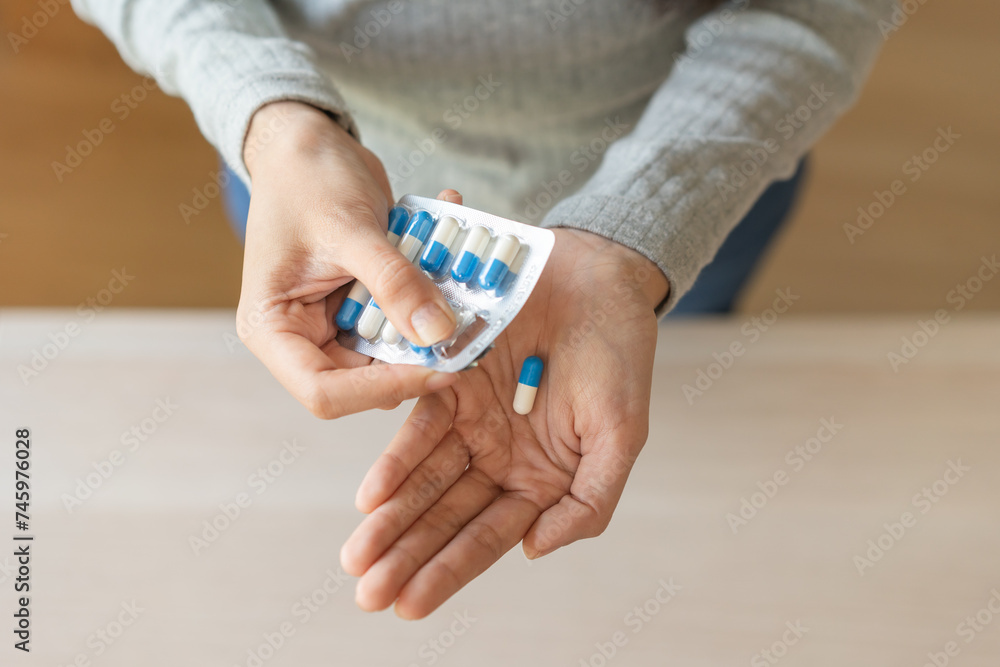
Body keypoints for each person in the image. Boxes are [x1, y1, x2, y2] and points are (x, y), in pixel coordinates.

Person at [73, 0, 891, 619]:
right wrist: (272, 118)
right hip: (317, 187)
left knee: (686, 358)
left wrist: (637, 238)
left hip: (683, 186)